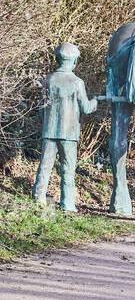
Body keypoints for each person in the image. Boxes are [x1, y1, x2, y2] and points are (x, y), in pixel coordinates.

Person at [33, 43, 97, 212]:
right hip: (69, 133)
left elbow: (41, 108)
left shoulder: (48, 80)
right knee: (68, 168)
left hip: (49, 131)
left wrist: (46, 124)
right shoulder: (77, 82)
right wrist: (96, 100)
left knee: (45, 165)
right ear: (74, 61)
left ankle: (38, 197)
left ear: (57, 59)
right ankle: (67, 203)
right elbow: (86, 108)